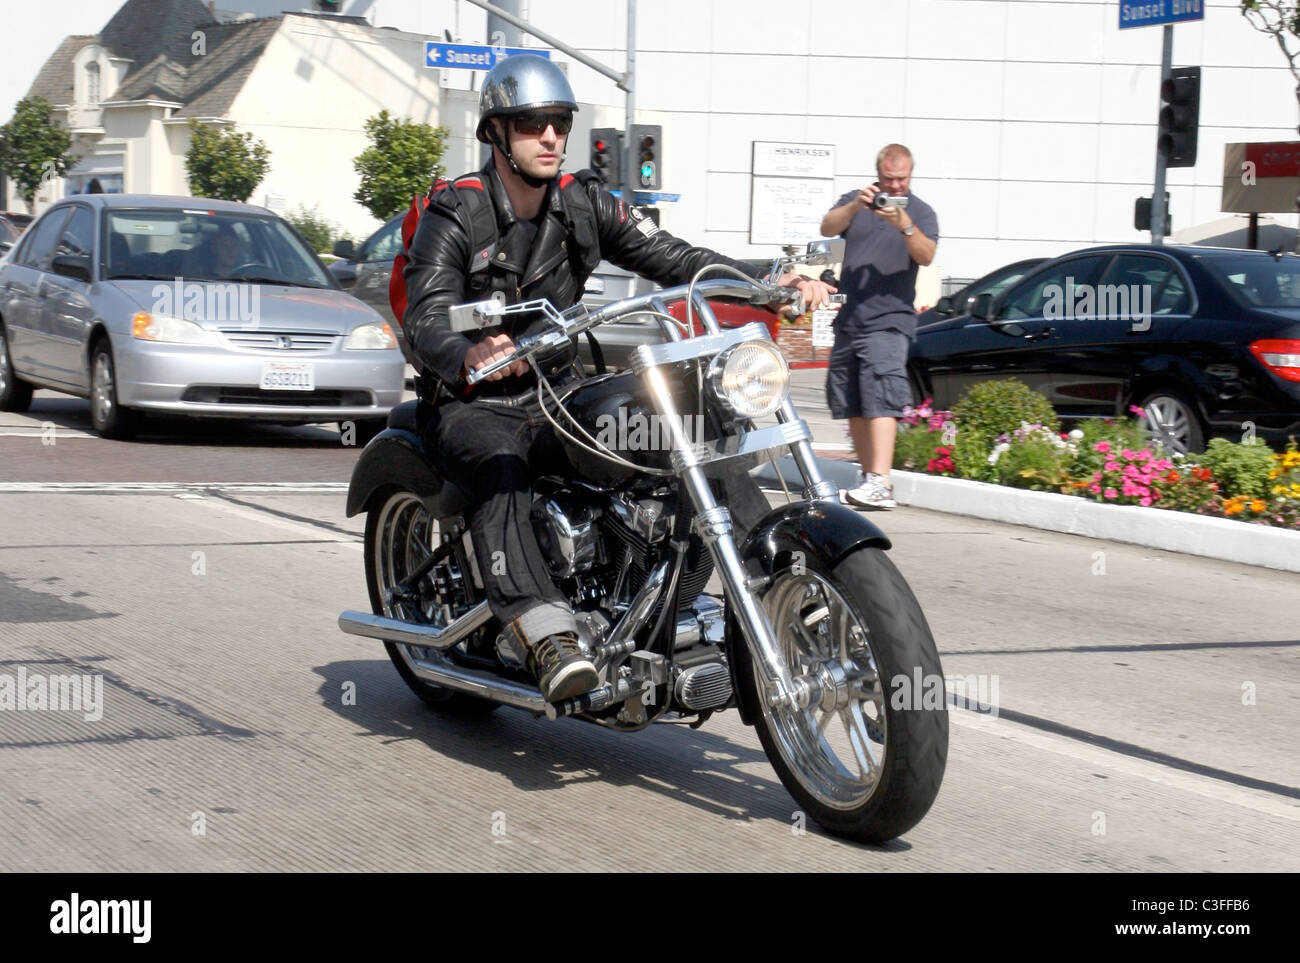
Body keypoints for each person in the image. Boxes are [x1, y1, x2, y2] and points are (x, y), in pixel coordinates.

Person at [403, 55, 833, 703]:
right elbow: (425, 312)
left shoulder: (585, 204)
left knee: (690, 418)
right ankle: (545, 632)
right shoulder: (457, 212)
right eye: (529, 124)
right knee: (497, 460)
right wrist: (467, 351)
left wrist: (770, 286)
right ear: (495, 133)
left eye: (557, 122)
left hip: (559, 392)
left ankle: (769, 578)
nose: (548, 136)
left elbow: (678, 259)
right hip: (475, 401)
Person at [819, 144, 938, 509]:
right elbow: (827, 227)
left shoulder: (921, 213)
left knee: (882, 397)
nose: (895, 186)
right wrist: (857, 206)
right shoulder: (857, 201)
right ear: (878, 173)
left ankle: (881, 482)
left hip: (889, 321)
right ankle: (868, 477)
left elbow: (927, 255)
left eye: (901, 179)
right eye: (888, 178)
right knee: (850, 400)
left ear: (911, 176)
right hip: (850, 319)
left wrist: (904, 226)